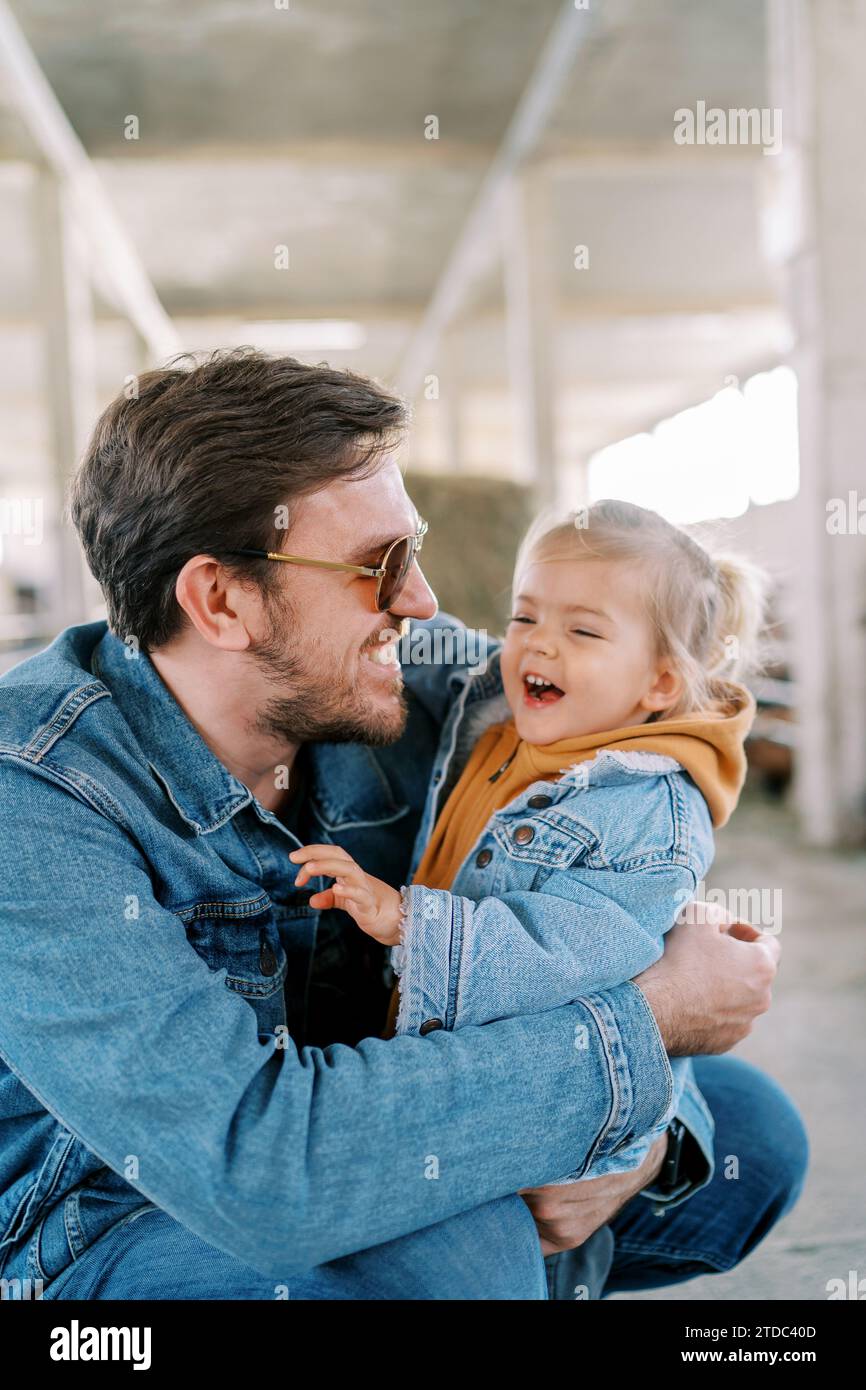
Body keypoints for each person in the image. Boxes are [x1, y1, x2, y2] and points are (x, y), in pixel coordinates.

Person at [0, 351, 803, 1300]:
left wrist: (638, 1131)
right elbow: (258, 1167)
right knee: (458, 1252)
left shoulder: (423, 682)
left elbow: (624, 761)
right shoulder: (34, 798)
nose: (419, 599)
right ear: (221, 599)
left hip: (360, 1088)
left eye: (412, 550)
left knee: (741, 1135)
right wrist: (654, 1021)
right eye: (379, 565)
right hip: (104, 1210)